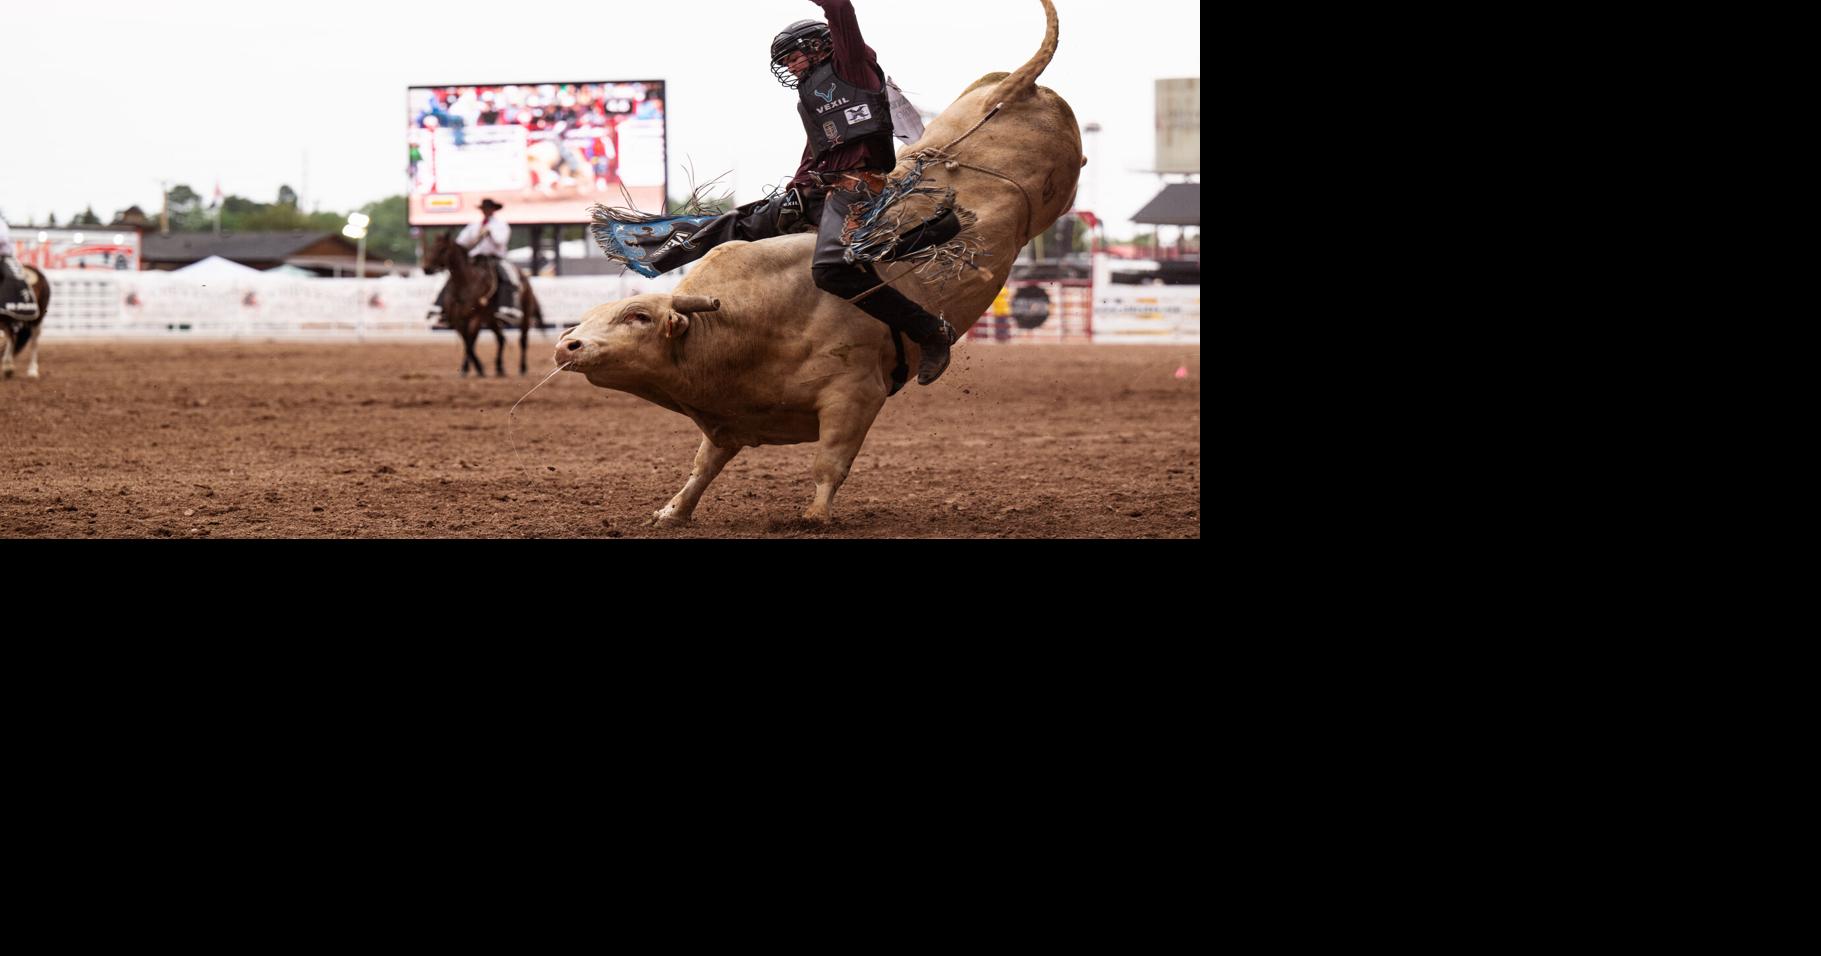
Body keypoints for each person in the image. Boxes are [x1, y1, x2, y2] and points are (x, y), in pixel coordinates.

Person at [620, 0, 954, 384]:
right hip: (822, 187)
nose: (791, 67)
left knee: (830, 271)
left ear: (819, 47)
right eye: (787, 62)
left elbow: (840, 8)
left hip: (861, 186)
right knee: (739, 223)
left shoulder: (852, 67)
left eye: (794, 57)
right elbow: (816, 152)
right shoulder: (810, 97)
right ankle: (650, 252)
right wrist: (796, 189)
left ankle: (929, 331)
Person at [428, 198, 522, 327]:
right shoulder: (474, 225)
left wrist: (490, 232)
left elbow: (501, 241)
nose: (486, 211)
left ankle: (507, 308)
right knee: (454, 277)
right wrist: (475, 235)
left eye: (488, 208)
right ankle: (440, 308)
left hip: (495, 259)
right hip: (476, 259)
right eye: (484, 208)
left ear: (493, 210)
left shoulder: (500, 225)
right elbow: (462, 242)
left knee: (508, 277)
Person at [0, 214, 40, 319]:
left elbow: (3, 238)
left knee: (11, 276)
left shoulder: (1, 223)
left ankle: (11, 304)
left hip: (3, 256)